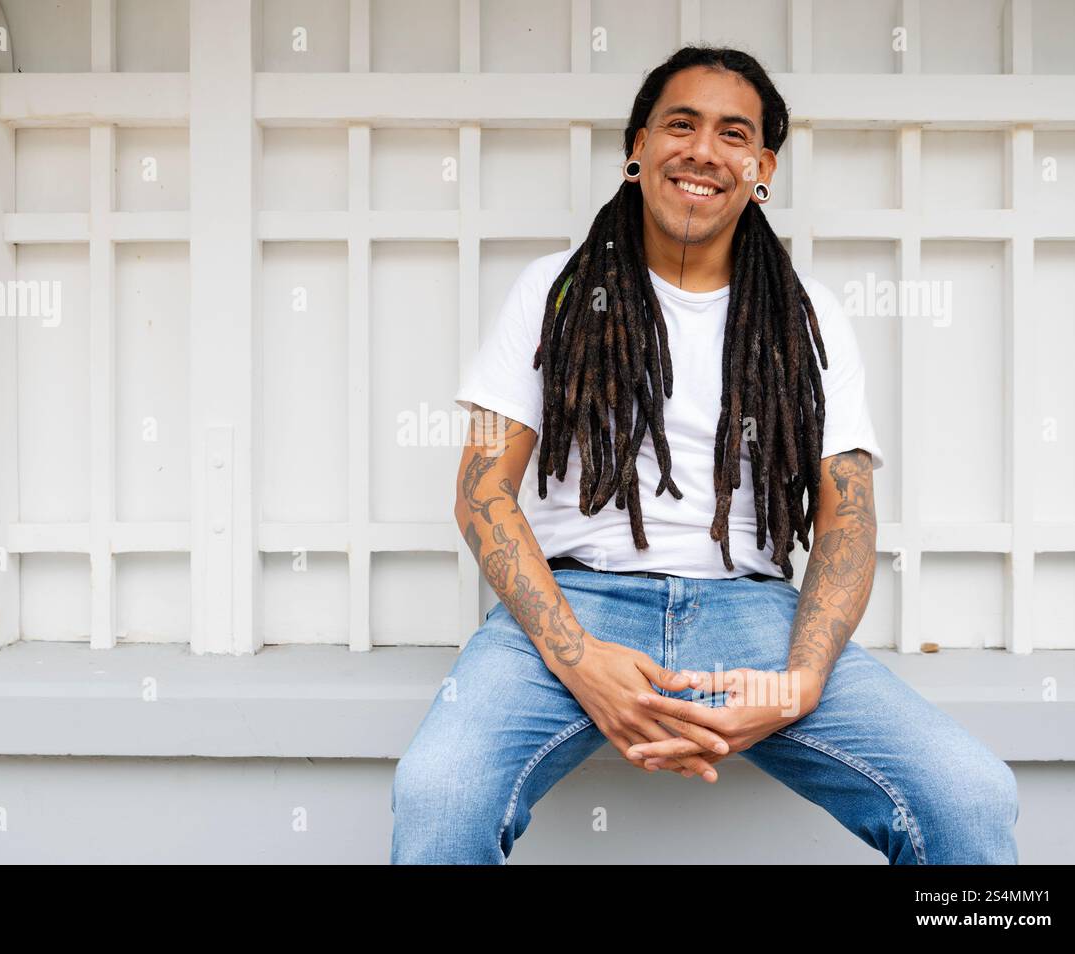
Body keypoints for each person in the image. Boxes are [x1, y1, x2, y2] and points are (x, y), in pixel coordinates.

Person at [389, 46, 1018, 865]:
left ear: (762, 168)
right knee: (437, 796)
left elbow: (848, 517)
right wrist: (579, 660)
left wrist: (800, 679)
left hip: (751, 616)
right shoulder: (550, 290)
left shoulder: (810, 315)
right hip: (574, 603)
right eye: (679, 125)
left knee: (971, 795)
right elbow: (480, 493)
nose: (701, 151)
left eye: (733, 134)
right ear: (638, 147)